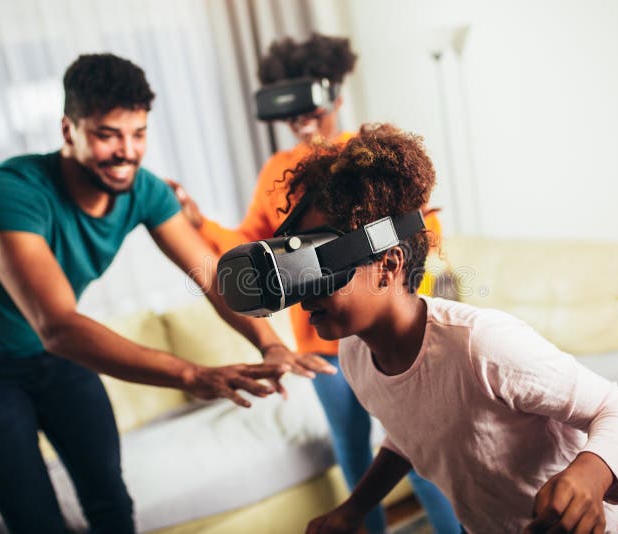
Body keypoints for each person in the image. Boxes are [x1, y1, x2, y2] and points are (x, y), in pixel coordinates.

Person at [0, 53, 335, 534]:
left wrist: (269, 344)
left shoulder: (143, 190)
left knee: (111, 504)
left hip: (55, 361)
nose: (127, 151)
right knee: (35, 522)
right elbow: (57, 326)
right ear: (69, 130)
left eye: (138, 133)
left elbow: (211, 274)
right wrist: (191, 374)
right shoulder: (9, 192)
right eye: (108, 135)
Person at [283, 124, 618, 534]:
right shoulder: (355, 353)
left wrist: (589, 475)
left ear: (388, 266)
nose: (305, 293)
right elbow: (411, 432)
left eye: (322, 270)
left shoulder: (480, 345)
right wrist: (354, 509)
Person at [170, 34, 460, 534]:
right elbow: (252, 240)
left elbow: (419, 231)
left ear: (336, 97)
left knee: (417, 447)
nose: (298, 116)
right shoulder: (275, 171)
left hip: (389, 339)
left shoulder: (371, 158)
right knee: (352, 455)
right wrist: (197, 225)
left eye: (307, 100)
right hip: (324, 347)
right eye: (287, 105)